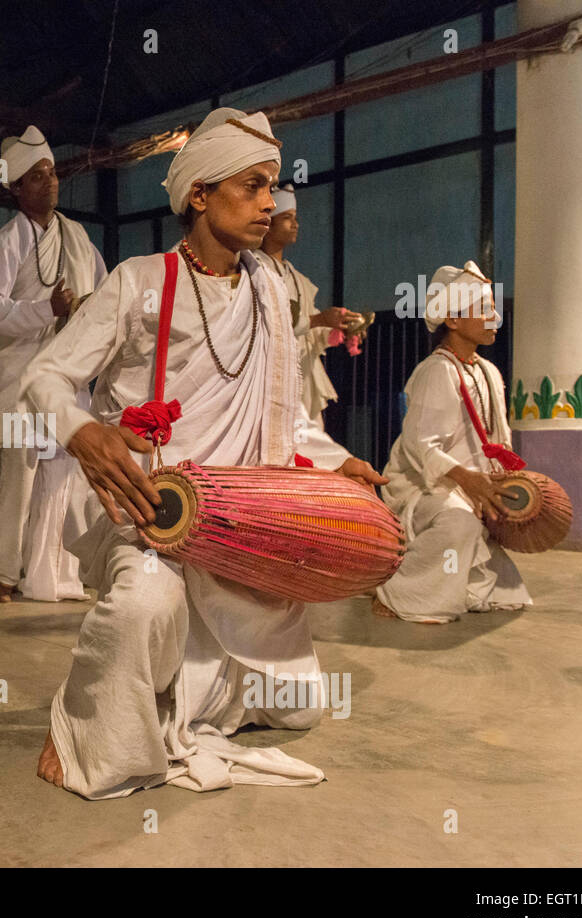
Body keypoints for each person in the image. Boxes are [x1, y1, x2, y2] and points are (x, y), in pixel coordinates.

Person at [19, 108, 387, 799]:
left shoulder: (272, 292)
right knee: (143, 608)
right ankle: (84, 716)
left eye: (271, 187)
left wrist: (337, 463)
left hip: (243, 519)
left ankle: (193, 700)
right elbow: (43, 377)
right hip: (152, 509)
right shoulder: (139, 281)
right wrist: (83, 433)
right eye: (251, 186)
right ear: (198, 195)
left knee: (300, 706)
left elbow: (289, 412)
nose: (268, 204)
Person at [0, 126, 106, 603]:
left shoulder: (78, 235)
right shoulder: (6, 242)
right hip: (20, 382)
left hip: (67, 379)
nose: (49, 182)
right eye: (36, 177)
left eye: (51, 173)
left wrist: (88, 313)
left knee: (65, 480)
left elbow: (104, 293)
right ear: (15, 189)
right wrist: (43, 310)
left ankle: (55, 575)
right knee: (19, 484)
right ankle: (6, 574)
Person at [374, 261, 531, 623]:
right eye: (484, 309)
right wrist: (467, 480)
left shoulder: (488, 371)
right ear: (453, 320)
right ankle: (397, 593)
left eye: (494, 307)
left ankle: (455, 582)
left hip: (471, 485)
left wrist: (500, 483)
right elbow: (419, 446)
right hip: (424, 486)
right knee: (459, 523)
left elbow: (498, 439)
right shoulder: (436, 371)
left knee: (506, 593)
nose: (495, 316)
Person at [254, 183, 361, 430]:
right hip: (268, 378)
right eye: (287, 218)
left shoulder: (298, 279)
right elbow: (273, 323)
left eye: (296, 218)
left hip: (301, 376)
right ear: (268, 225)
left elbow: (309, 335)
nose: (296, 224)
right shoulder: (255, 269)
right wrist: (320, 319)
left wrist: (340, 328)